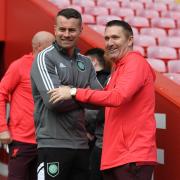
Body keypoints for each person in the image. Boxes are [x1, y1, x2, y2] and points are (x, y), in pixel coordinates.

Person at [48, 20, 157, 180]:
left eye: (115, 38)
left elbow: (118, 97)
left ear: (130, 40)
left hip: (132, 156)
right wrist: (70, 94)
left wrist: (73, 91)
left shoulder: (135, 62)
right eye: (106, 38)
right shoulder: (119, 67)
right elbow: (101, 100)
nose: (110, 43)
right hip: (116, 155)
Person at [30, 8, 102, 180]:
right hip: (53, 143)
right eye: (62, 29)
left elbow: (100, 99)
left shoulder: (86, 62)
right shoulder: (44, 58)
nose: (66, 34)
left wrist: (70, 92)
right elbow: (53, 102)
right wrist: (85, 95)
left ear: (80, 31)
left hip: (81, 144)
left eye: (72, 30)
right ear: (55, 29)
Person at [0, 31, 55, 180]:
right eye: (51, 46)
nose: (56, 50)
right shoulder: (19, 66)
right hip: (22, 140)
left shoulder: (53, 68)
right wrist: (2, 129)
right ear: (38, 47)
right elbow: (1, 94)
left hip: (46, 141)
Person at [84, 48, 110, 180]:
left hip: (98, 140)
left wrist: (87, 130)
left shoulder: (101, 81)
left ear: (93, 62)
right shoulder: (110, 78)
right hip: (95, 138)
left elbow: (94, 112)